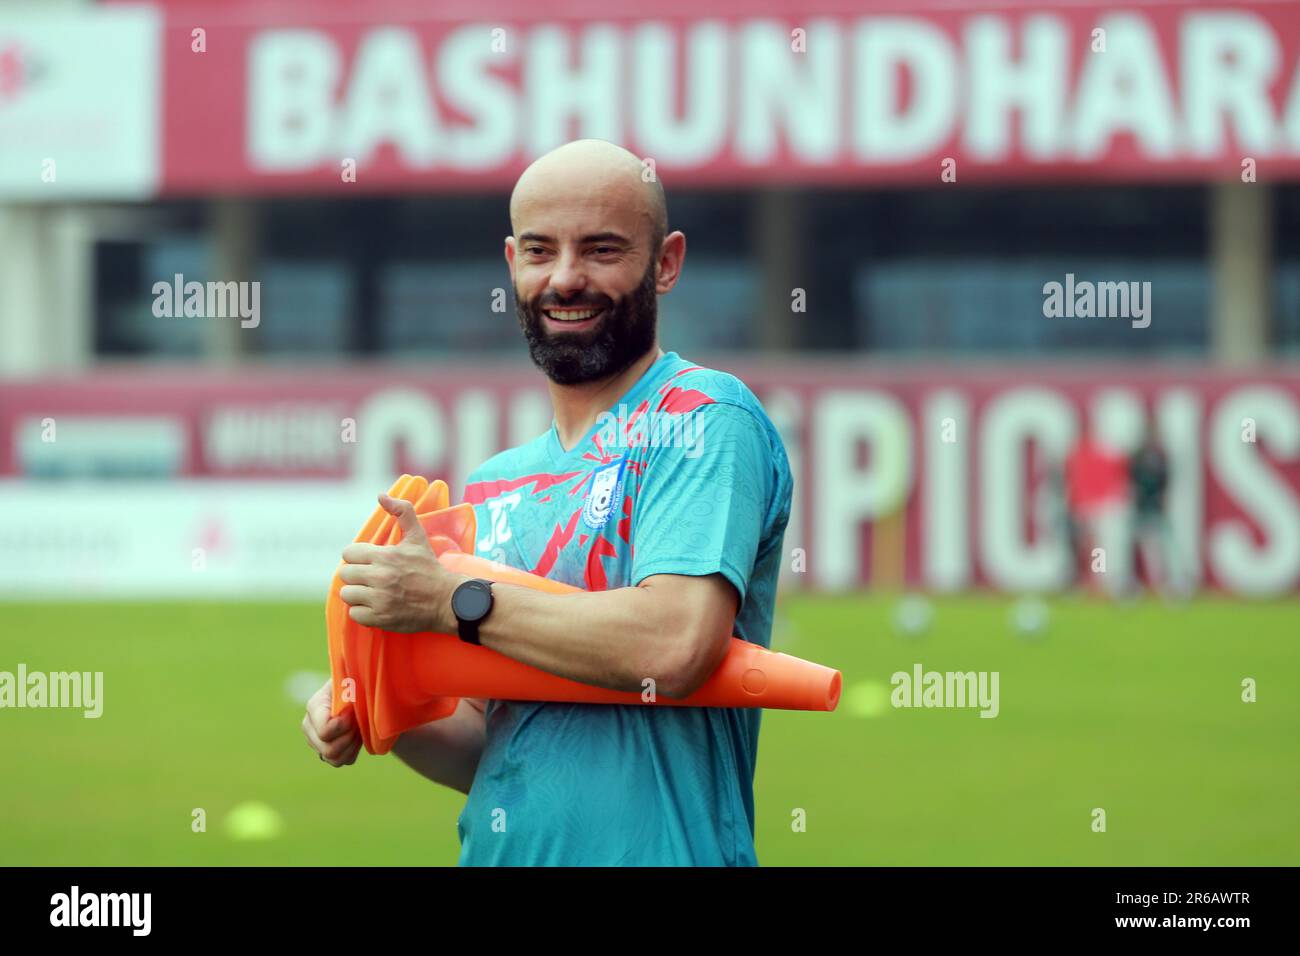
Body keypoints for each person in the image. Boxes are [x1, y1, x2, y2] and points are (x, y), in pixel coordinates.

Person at [300, 139, 794, 866]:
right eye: (540, 251)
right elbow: (493, 743)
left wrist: (453, 600)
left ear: (666, 263)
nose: (566, 278)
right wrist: (380, 709)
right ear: (512, 265)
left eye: (600, 250)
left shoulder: (701, 417)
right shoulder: (496, 483)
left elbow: (675, 645)